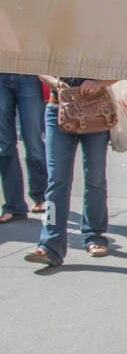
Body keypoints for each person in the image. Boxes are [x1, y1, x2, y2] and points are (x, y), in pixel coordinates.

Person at [24, 77, 112, 266]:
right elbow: (37, 61)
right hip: (58, 108)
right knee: (56, 181)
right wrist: (53, 82)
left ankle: (94, 235)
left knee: (95, 179)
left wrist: (100, 83)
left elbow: (126, 64)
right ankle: (49, 244)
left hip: (95, 107)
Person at [0, 73, 48, 224]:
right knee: (4, 145)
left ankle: (42, 196)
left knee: (33, 142)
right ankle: (14, 206)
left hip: (30, 75)